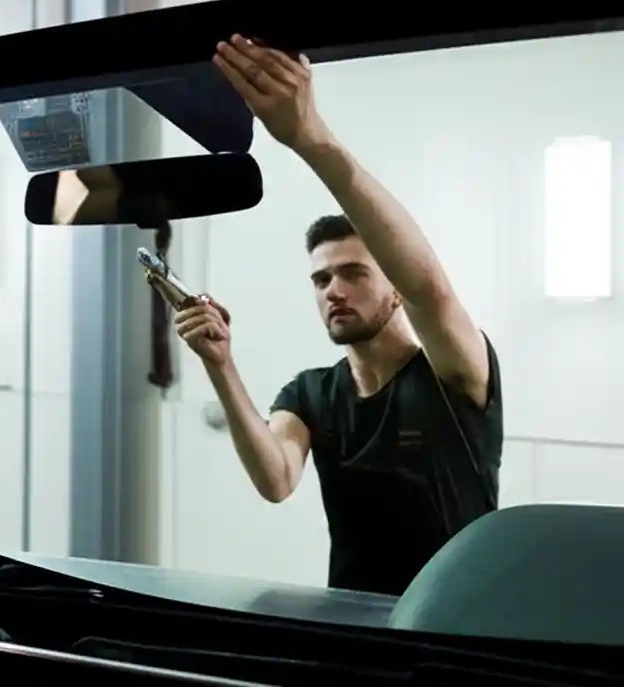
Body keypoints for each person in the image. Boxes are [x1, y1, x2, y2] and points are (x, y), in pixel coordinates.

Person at [175, 34, 503, 596]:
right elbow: (276, 479)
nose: (334, 290)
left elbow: (433, 291)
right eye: (322, 279)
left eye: (355, 273)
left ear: (394, 289)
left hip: (456, 626)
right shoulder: (311, 394)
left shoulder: (454, 372)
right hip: (353, 628)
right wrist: (219, 364)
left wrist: (310, 139)